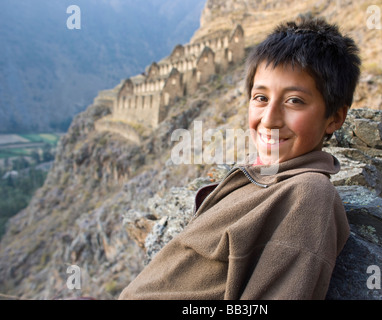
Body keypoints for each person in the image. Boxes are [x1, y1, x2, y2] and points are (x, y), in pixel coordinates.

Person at [119, 17, 361, 300]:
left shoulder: (308, 195)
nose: (269, 119)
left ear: (334, 118)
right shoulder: (255, 175)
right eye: (260, 98)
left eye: (294, 100)